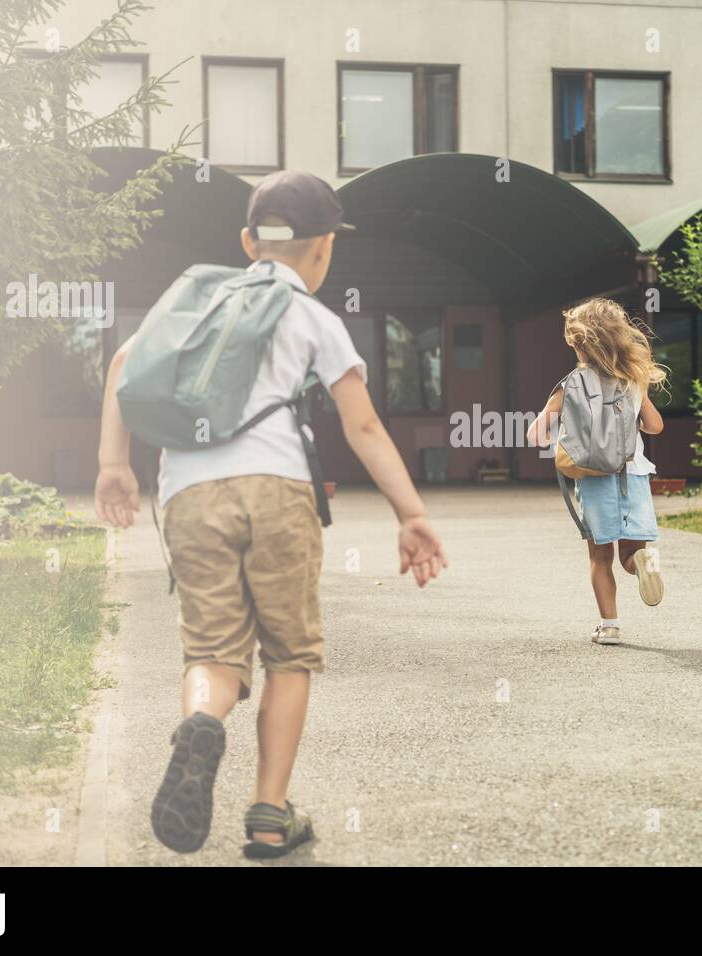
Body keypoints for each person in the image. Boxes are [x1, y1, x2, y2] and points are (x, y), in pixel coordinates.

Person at [93, 170, 447, 859]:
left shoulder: (198, 301)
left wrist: (113, 465)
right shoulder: (314, 316)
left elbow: (123, 364)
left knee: (211, 650)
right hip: (279, 490)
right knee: (289, 654)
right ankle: (268, 814)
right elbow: (364, 426)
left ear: (250, 241)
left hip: (189, 494)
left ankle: (202, 720)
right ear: (325, 250)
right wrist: (411, 513)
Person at [527, 297, 667, 646]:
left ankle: (610, 626)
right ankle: (643, 561)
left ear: (578, 343)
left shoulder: (571, 383)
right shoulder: (633, 380)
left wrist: (551, 432)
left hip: (593, 477)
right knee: (628, 555)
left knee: (600, 556)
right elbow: (654, 427)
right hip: (632, 475)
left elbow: (535, 433)